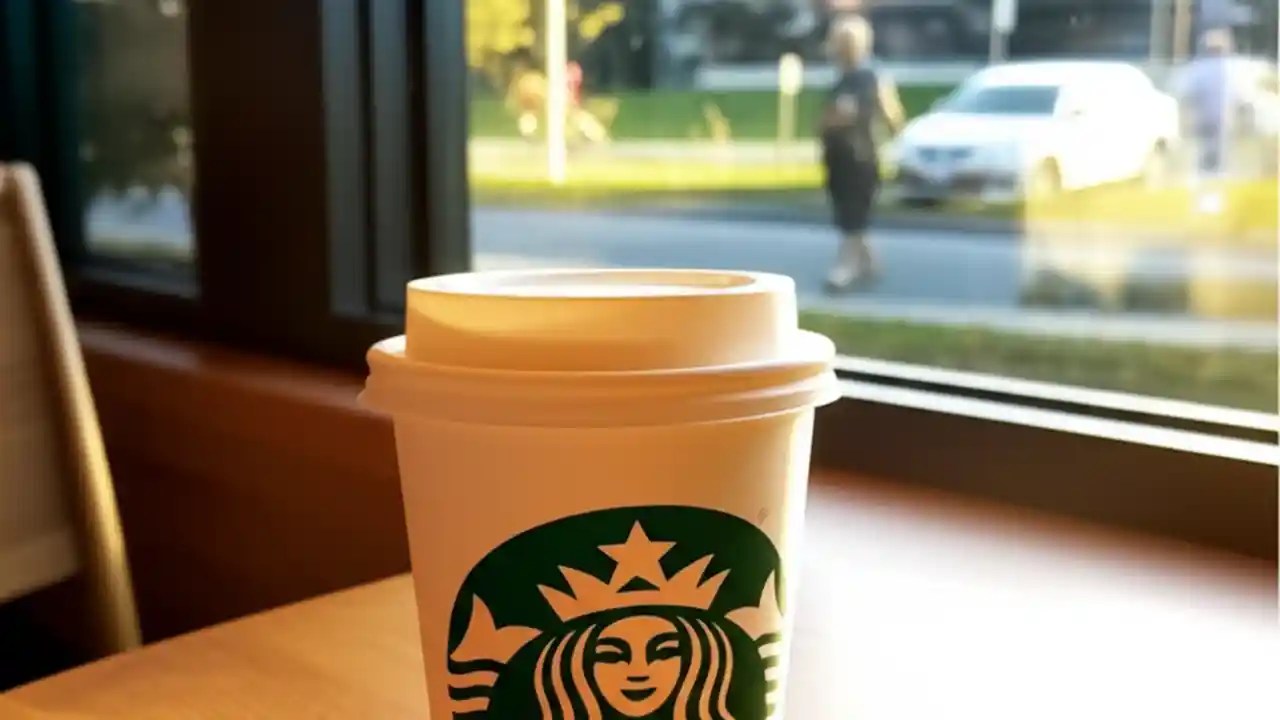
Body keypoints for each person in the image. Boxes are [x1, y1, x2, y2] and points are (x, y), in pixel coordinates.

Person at [819, 14, 904, 293]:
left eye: (846, 42)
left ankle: (844, 269)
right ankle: (869, 263)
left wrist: (899, 140)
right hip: (838, 154)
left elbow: (889, 112)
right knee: (848, 213)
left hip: (861, 154)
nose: (839, 48)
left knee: (853, 215)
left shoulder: (869, 76)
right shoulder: (842, 77)